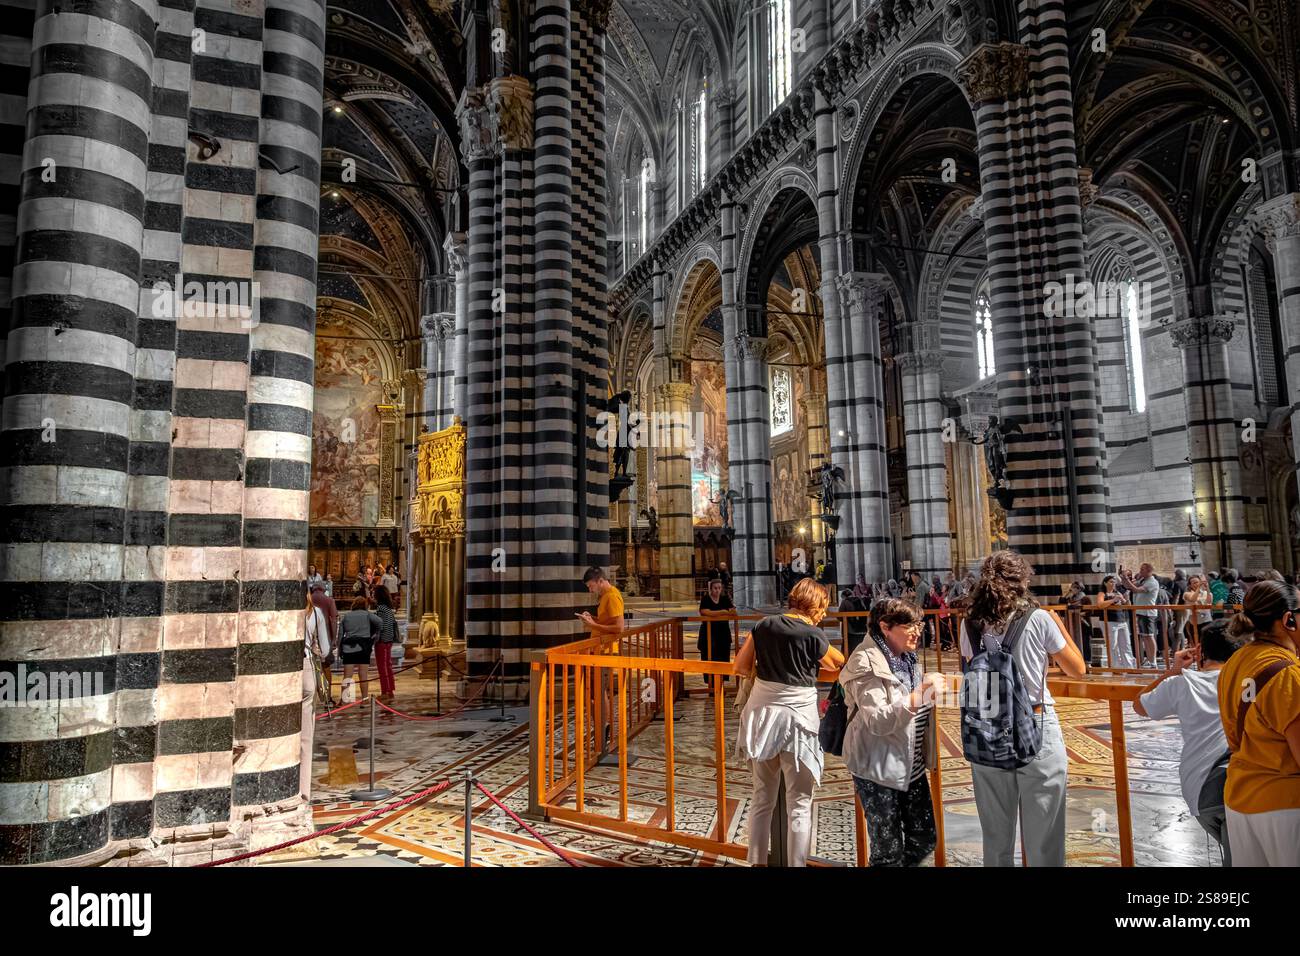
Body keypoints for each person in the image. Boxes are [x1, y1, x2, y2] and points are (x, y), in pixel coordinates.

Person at [960, 551, 1087, 867]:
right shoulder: (1039, 618)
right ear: (1022, 581)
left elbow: (969, 667)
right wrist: (1056, 621)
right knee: (1044, 835)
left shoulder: (971, 624)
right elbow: (1077, 669)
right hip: (1036, 722)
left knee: (996, 836)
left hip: (987, 727)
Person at [733, 578, 845, 866]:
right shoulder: (812, 633)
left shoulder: (763, 625)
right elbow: (836, 662)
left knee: (762, 798)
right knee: (799, 803)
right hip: (798, 722)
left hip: (763, 718)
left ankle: (757, 862)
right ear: (815, 604)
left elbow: (740, 666)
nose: (824, 614)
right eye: (823, 608)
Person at [839, 598, 945, 866]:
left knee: (924, 836)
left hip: (910, 763)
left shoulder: (905, 657)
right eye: (909, 625)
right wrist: (920, 694)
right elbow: (877, 720)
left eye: (919, 624)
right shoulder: (866, 661)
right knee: (888, 851)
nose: (918, 631)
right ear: (885, 627)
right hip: (878, 766)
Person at [1133, 621, 1238, 863]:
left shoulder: (1181, 682)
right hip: (1242, 781)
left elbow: (1140, 704)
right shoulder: (1248, 679)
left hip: (1200, 787)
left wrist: (1173, 670)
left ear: (1200, 651)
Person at [1216, 580, 1300, 866]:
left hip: (1240, 799)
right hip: (1285, 804)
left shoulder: (1235, 661)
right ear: (1289, 619)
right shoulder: (1288, 674)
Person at [579, 567, 626, 751]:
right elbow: (608, 622)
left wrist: (592, 624)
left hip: (605, 652)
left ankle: (603, 728)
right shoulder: (606, 596)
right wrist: (594, 620)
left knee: (598, 692)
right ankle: (600, 727)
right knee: (595, 692)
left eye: (591, 586)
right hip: (598, 650)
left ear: (599, 581)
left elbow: (619, 627)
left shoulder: (612, 596)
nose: (590, 590)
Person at [337, 596, 382, 702]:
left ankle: (346, 699)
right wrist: (376, 636)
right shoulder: (367, 615)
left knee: (347, 676)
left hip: (349, 648)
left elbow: (340, 634)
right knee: (363, 675)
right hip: (364, 647)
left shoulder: (346, 616)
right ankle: (364, 699)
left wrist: (339, 648)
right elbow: (380, 622)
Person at [697, 578, 735, 694]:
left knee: (722, 658)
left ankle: (721, 686)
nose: (717, 590)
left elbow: (733, 611)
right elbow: (705, 612)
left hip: (723, 633)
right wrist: (723, 612)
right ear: (711, 589)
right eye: (715, 588)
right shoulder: (706, 599)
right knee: (710, 657)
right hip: (709, 633)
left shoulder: (725, 598)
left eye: (719, 588)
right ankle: (711, 686)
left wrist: (722, 612)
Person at [1095, 574, 1135, 668]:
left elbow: (1127, 605)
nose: (1113, 583)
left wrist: (1126, 598)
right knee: (1113, 646)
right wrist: (1113, 600)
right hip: (1109, 621)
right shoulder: (1102, 593)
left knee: (1126, 644)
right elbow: (1100, 604)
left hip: (1121, 620)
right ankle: (1116, 667)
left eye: (1114, 582)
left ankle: (1129, 666)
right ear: (1105, 583)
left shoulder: (1118, 592)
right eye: (1111, 582)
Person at [1127, 562, 1160, 666]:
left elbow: (1136, 589)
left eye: (1142, 570)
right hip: (1140, 612)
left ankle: (1153, 660)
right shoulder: (1142, 580)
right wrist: (1123, 578)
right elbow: (1129, 587)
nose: (1140, 571)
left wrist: (1127, 580)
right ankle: (1150, 660)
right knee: (1144, 637)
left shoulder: (1152, 582)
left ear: (1149, 571)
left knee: (1149, 636)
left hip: (1147, 612)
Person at [373, 585, 399, 703]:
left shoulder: (381, 609)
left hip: (382, 641)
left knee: (382, 667)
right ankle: (390, 690)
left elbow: (380, 626)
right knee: (388, 666)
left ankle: (385, 692)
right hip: (389, 640)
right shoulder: (388, 608)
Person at [839, 587, 869, 654]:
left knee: (850, 650)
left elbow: (840, 617)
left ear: (843, 596)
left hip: (850, 630)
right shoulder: (860, 600)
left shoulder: (845, 602)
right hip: (862, 629)